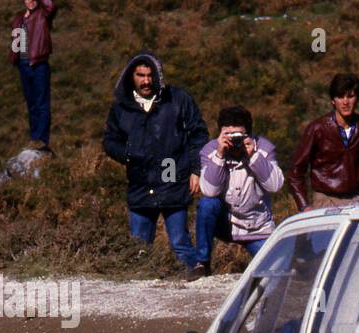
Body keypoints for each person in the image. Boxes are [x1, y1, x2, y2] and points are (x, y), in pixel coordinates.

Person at [102, 52, 209, 279]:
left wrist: (195, 170)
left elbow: (197, 135)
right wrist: (128, 154)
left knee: (180, 242)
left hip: (172, 174)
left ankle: (197, 280)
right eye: (140, 75)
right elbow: (110, 141)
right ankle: (143, 291)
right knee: (139, 249)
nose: (146, 81)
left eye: (150, 75)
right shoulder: (121, 107)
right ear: (132, 76)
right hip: (140, 181)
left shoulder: (178, 99)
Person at [195, 105, 283, 274]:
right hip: (225, 221)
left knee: (275, 270)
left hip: (256, 225)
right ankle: (202, 263)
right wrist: (219, 155)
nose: (234, 141)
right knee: (207, 204)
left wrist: (254, 156)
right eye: (228, 134)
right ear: (220, 133)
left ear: (248, 134)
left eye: (238, 136)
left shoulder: (264, 148)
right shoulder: (210, 150)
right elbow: (209, 191)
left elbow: (275, 186)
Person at [286, 73, 359, 211]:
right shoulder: (317, 129)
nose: (345, 102)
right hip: (325, 200)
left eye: (350, 96)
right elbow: (296, 171)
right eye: (340, 97)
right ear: (333, 100)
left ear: (357, 98)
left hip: (358, 199)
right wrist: (304, 206)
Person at [9, 0, 56, 151]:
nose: (30, 1)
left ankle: (41, 139)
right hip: (23, 64)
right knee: (31, 104)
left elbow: (51, 6)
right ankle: (34, 136)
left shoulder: (43, 14)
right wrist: (14, 58)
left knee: (42, 103)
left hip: (39, 63)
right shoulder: (19, 17)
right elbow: (16, 40)